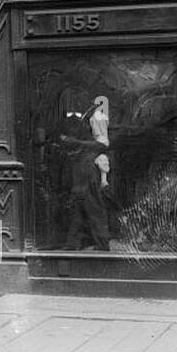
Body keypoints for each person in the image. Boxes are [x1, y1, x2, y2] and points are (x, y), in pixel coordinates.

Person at [57, 95, 112, 251]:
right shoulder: (82, 120)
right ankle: (73, 242)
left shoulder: (97, 117)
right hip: (81, 168)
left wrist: (74, 142)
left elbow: (103, 144)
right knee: (78, 205)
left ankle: (101, 242)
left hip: (89, 169)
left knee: (91, 204)